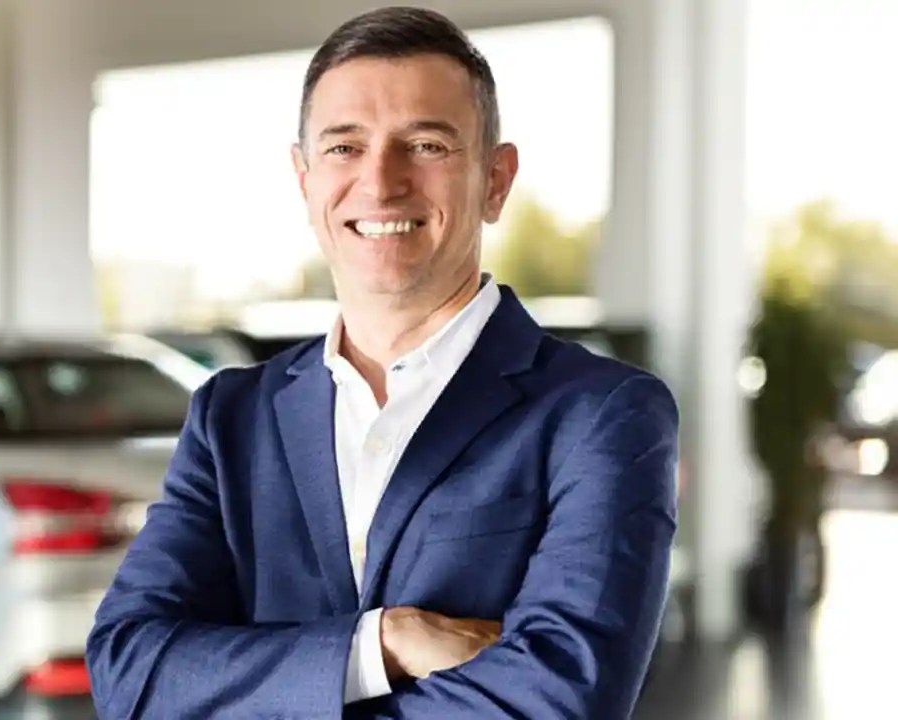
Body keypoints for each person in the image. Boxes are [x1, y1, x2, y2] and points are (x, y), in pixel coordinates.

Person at [86, 6, 678, 718]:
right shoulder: (231, 418)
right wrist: (382, 644)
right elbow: (130, 670)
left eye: (426, 145)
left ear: (495, 180)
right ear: (305, 180)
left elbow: (562, 700)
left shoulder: (603, 414)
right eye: (344, 147)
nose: (381, 180)